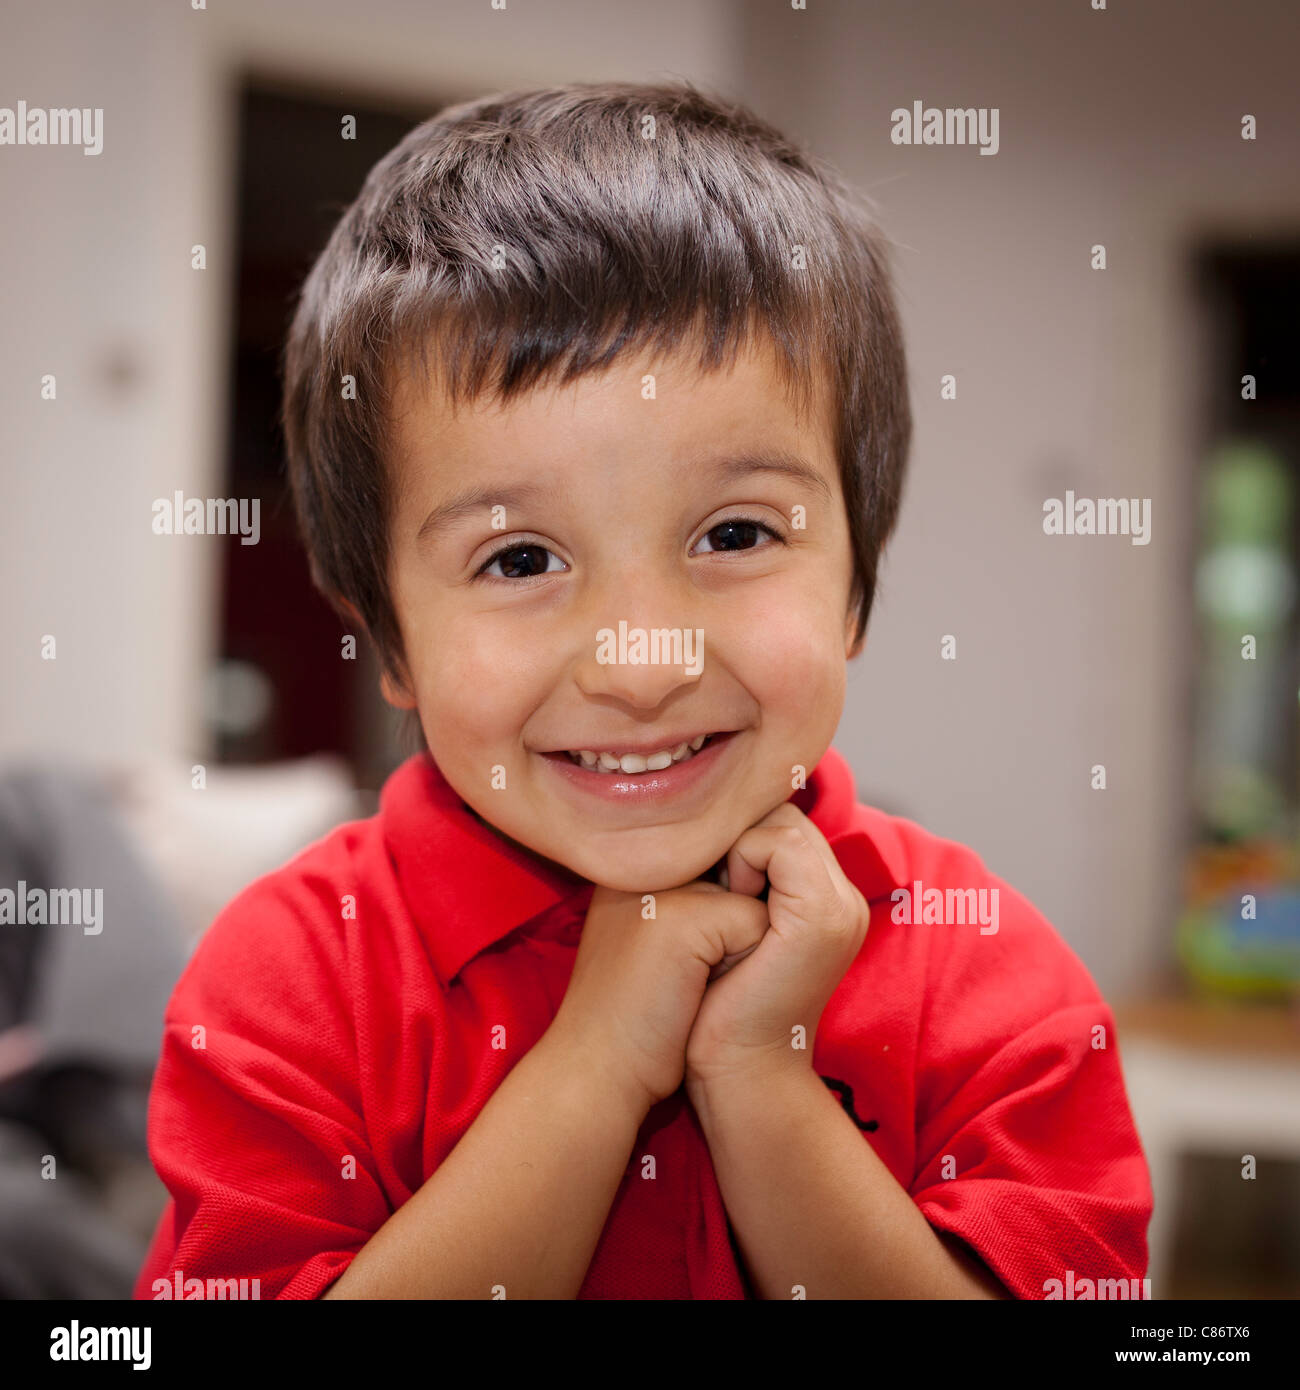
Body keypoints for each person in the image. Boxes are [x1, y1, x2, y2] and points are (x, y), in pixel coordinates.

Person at [133, 80, 1151, 1300]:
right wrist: (596, 1066)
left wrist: (763, 1085)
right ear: (391, 642)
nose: (642, 663)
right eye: (519, 559)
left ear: (855, 591)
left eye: (732, 535)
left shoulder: (985, 971)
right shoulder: (288, 977)